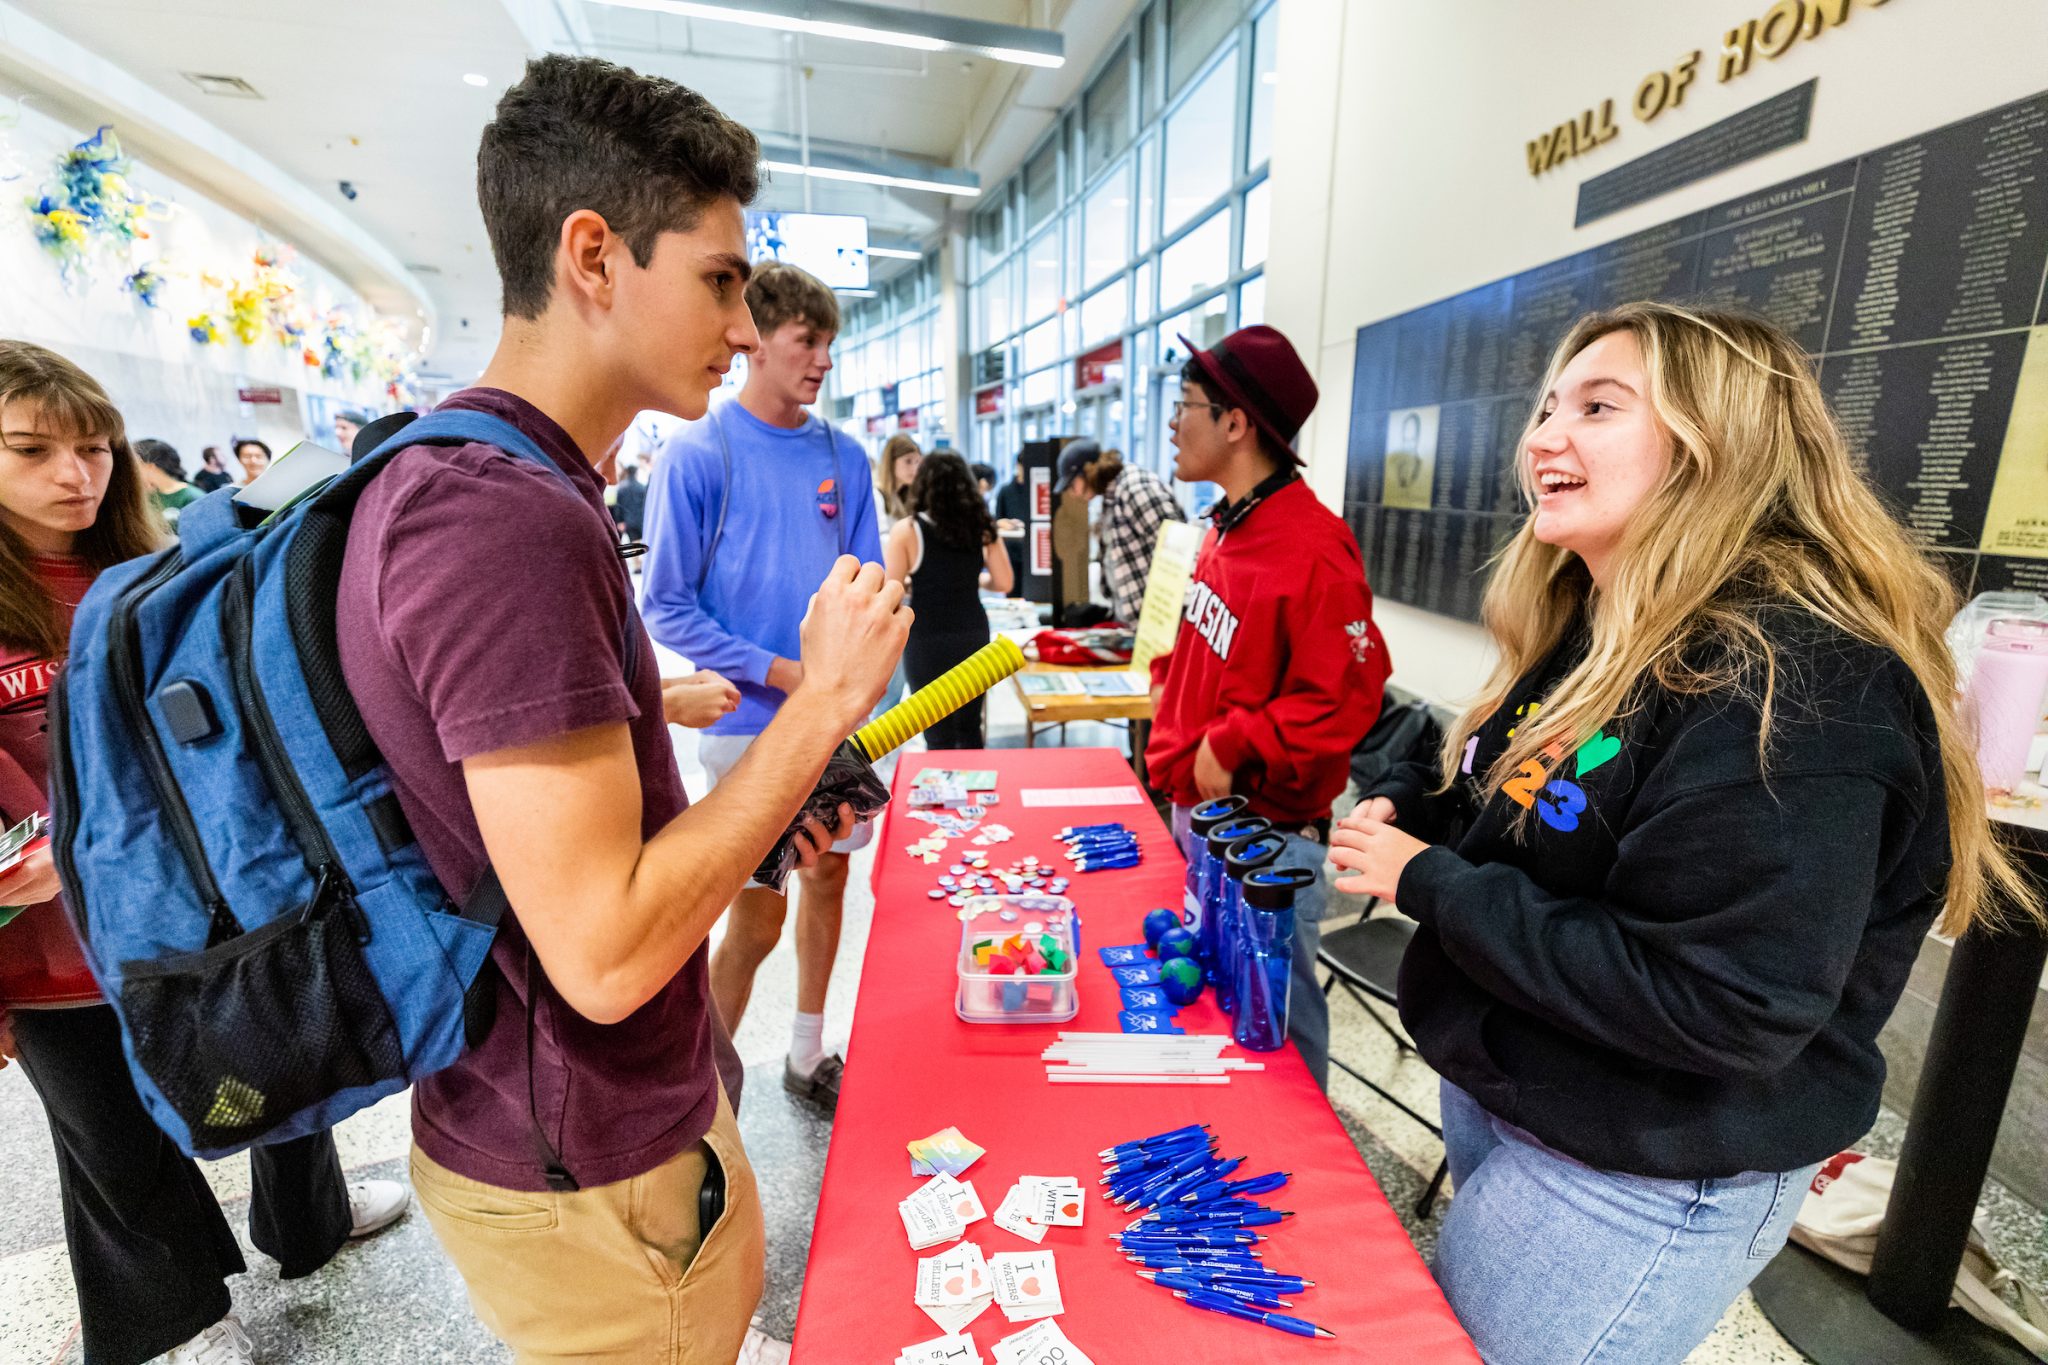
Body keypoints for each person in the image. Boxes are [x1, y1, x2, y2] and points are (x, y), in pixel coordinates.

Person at [1330, 302, 2043, 1365]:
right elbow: (1538, 808)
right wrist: (1425, 816)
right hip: (1523, 1089)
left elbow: (1721, 1002)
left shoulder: (1795, 688)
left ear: (1717, 443)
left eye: (1596, 406)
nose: (1540, 438)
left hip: (1643, 1164)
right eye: (1543, 407)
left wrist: (1430, 881)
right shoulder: (1601, 629)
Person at [332, 56, 906, 1362]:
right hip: (584, 1163)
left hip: (566, 1125)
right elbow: (600, 954)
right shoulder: (503, 521)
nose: (749, 330)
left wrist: (724, 778)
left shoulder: (492, 478)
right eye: (719, 281)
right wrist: (815, 704)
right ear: (594, 256)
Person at [0, 341, 409, 1365]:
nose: (75, 475)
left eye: (94, 448)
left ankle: (307, 1222)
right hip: (53, 959)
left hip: (201, 905)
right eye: (31, 451)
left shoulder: (151, 571)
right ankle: (176, 1326)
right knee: (113, 1147)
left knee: (281, 1059)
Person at [641, 258, 885, 1115]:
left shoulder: (843, 457)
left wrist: (858, 698)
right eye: (806, 340)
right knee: (753, 914)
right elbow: (664, 604)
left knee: (830, 882)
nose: (821, 360)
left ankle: (809, 1051)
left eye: (830, 344)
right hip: (749, 728)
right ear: (756, 343)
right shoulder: (698, 455)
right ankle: (700, 1093)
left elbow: (871, 585)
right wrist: (782, 672)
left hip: (836, 730)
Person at [1145, 325, 1390, 1091]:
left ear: (1236, 422)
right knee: (1228, 1013)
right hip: (1202, 815)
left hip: (1266, 839)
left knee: (1277, 1032)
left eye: (1186, 404)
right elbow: (1217, 646)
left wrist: (1238, 738)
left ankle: (1309, 1188)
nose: (1174, 422)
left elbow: (1350, 691)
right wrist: (1168, 678)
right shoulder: (1228, 523)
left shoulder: (1313, 545)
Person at [883, 451, 1013, 748]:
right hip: (972, 634)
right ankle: (979, 790)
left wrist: (918, 582)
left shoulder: (907, 530)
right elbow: (1004, 581)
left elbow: (893, 591)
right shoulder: (982, 526)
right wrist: (973, 579)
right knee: (969, 726)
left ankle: (941, 792)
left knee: (936, 730)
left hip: (927, 638)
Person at [1054, 441, 1185, 625]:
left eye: (1071, 484)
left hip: (1159, 628)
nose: (1072, 493)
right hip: (1137, 626)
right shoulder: (1113, 497)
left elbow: (1180, 559)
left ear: (1087, 471)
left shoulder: (1136, 489)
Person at [133, 436, 203, 528]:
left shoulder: (192, 497)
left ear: (150, 467)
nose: (132, 472)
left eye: (135, 466)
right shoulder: (149, 496)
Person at [994, 458, 1030, 587]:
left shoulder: (1036, 490)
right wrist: (1003, 523)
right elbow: (997, 520)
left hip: (1032, 552)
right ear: (1018, 466)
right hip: (1011, 552)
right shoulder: (1005, 491)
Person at [877, 431, 920, 528]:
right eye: (908, 461)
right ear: (891, 462)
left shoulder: (912, 496)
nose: (915, 469)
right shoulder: (877, 496)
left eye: (917, 462)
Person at [612, 458, 648, 540]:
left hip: (628, 522)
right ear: (636, 473)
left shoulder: (621, 488)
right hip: (641, 521)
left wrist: (619, 521)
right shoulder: (641, 487)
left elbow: (618, 506)